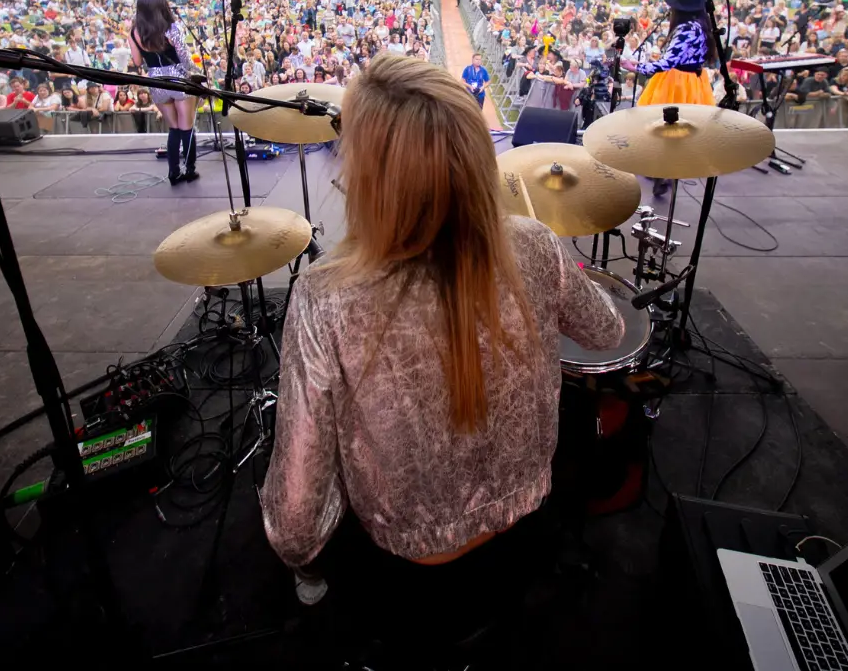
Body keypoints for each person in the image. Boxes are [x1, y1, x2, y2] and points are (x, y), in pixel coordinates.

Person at [262, 56, 623, 626]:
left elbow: (297, 516)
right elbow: (607, 331)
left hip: (413, 563)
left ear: (374, 181)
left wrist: (301, 565)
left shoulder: (325, 295)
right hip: (528, 523)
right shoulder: (532, 242)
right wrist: (551, 270)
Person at [127, 0, 199, 184]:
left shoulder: (134, 32)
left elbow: (136, 60)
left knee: (173, 129)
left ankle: (173, 172)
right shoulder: (171, 28)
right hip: (178, 78)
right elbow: (184, 58)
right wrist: (195, 69)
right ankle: (190, 170)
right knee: (187, 128)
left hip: (155, 80)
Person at [620, 0, 715, 107]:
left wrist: (635, 68)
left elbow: (667, 63)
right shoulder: (700, 25)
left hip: (678, 82)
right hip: (694, 80)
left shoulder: (687, 29)